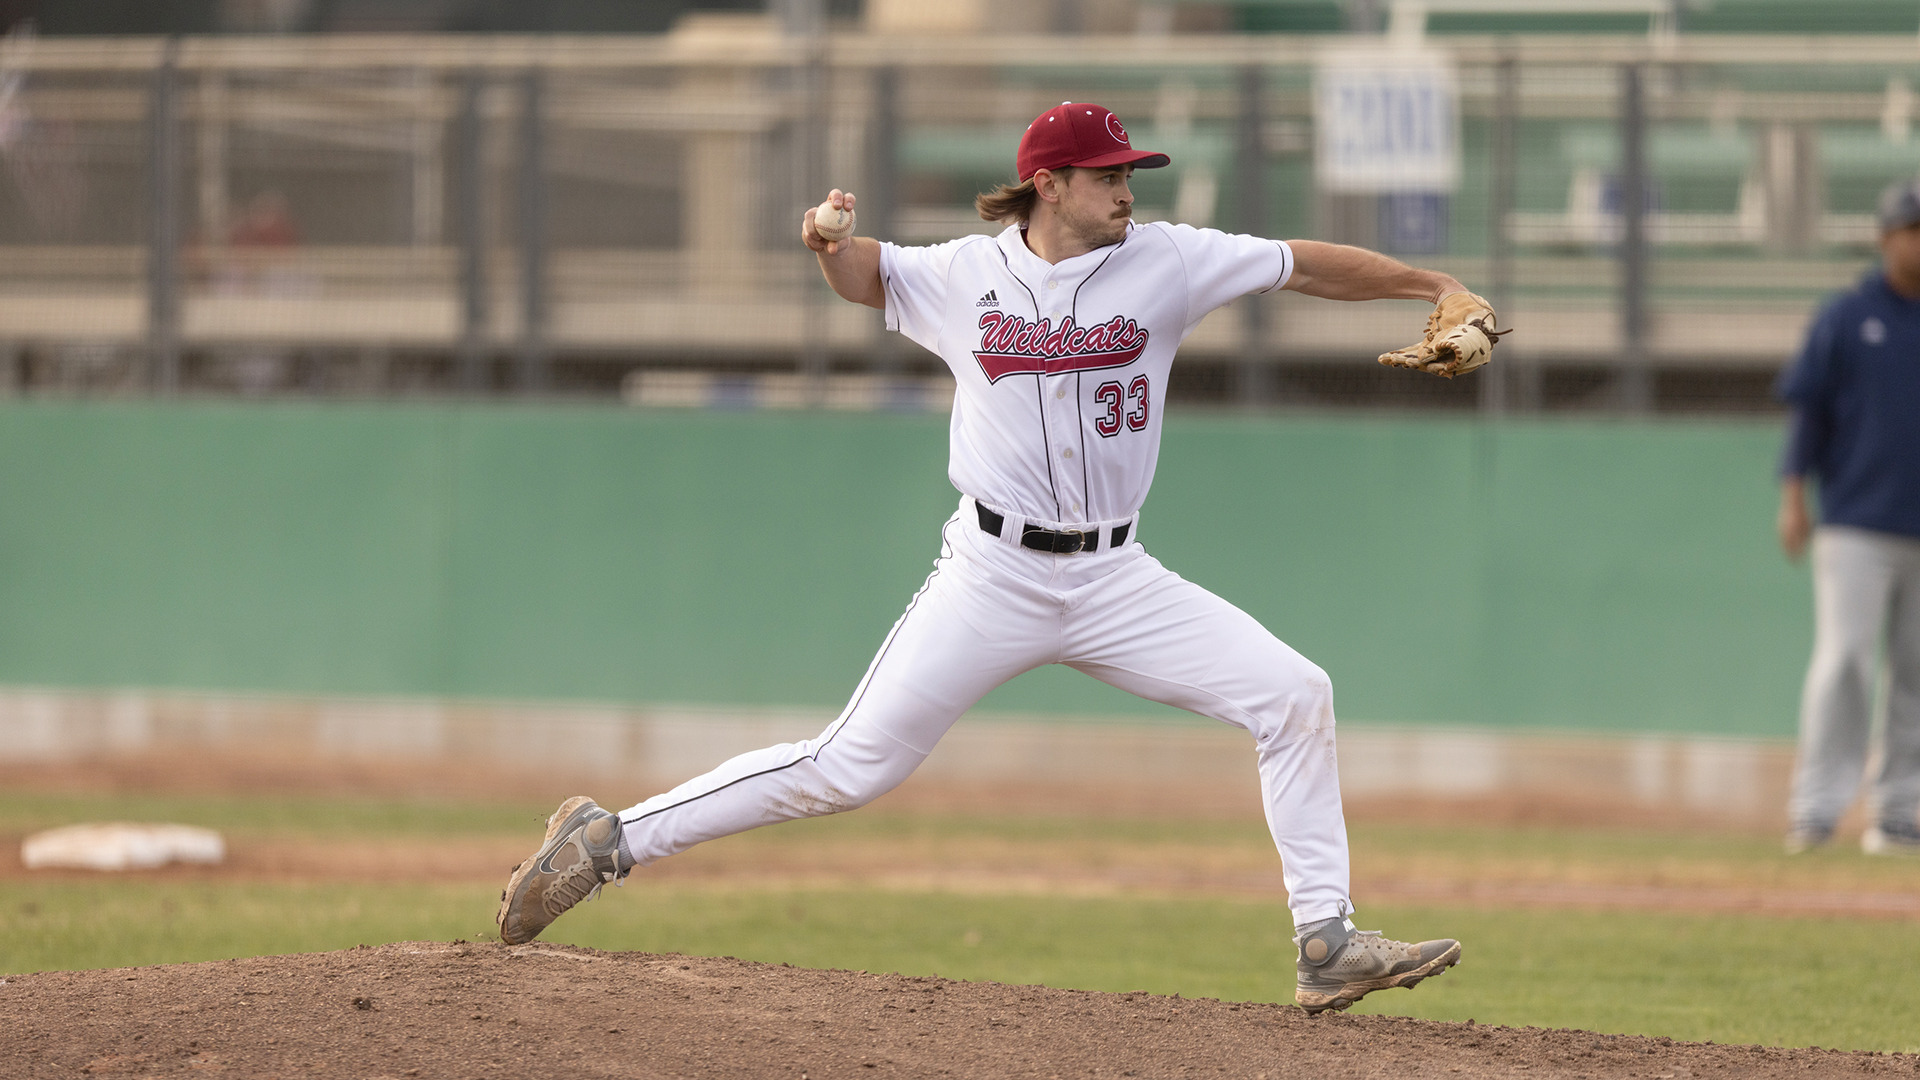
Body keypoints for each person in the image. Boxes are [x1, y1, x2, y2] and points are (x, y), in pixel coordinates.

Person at [498, 102, 1485, 1013]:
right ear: (1050, 184)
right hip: (994, 574)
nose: (1126, 191)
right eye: (1106, 176)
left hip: (1116, 579)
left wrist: (1433, 284)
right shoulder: (961, 275)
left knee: (1294, 692)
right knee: (847, 769)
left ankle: (1326, 941)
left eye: (1128, 173)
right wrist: (824, 243)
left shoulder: (1171, 260)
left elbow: (1302, 263)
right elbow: (866, 275)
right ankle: (609, 841)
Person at [1777, 177, 1920, 856]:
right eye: (1910, 229)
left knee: (1916, 671)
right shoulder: (1846, 316)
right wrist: (1792, 495)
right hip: (1857, 521)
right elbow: (1808, 413)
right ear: (1885, 237)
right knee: (1844, 665)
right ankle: (1817, 809)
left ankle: (1899, 813)